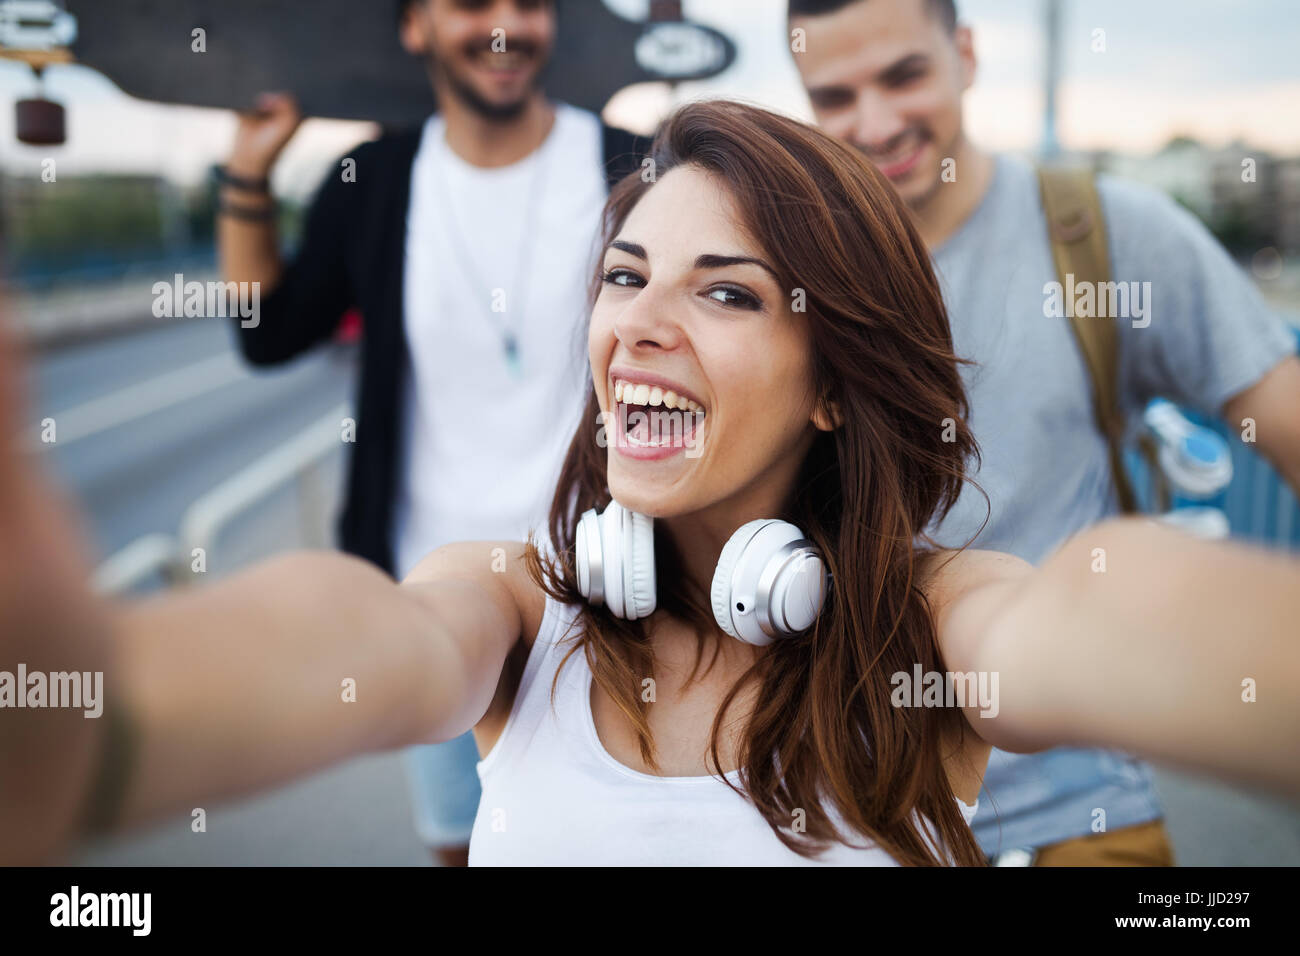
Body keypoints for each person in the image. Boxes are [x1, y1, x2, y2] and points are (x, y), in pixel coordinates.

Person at [4, 100, 1300, 867]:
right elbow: (365, 637)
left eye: (725, 290)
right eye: (624, 275)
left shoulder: (935, 623)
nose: (640, 324)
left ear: (837, 380)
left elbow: (1092, 614)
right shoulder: (514, 608)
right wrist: (92, 723)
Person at [786, 0, 1300, 865]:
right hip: (847, 823)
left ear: (968, 55)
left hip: (1077, 816)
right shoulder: (787, 271)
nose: (875, 123)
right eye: (836, 95)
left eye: (904, 75)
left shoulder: (1104, 236)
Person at [216, 0, 644, 865]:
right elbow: (268, 336)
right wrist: (247, 176)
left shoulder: (625, 162)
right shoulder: (373, 179)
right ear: (415, 26)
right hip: (428, 602)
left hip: (613, 594)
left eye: (528, 4)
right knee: (463, 848)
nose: (505, 27)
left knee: (621, 844)